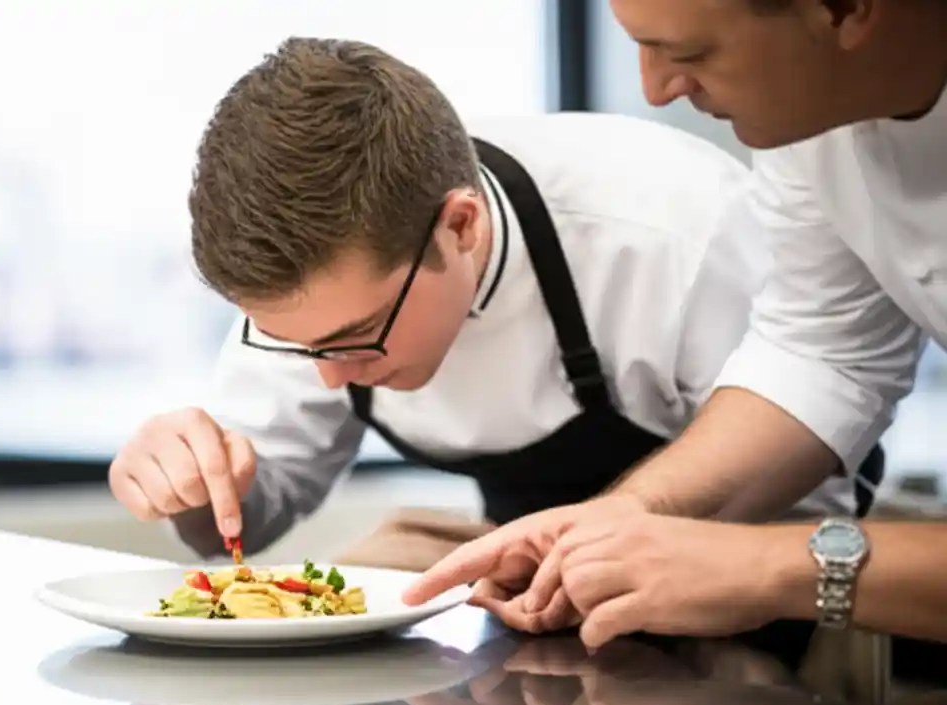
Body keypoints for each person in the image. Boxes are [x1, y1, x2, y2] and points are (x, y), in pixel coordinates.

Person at [108, 36, 871, 572]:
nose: (331, 379)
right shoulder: (310, 287)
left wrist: (621, 552)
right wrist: (195, 489)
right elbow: (249, 520)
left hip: (732, 571)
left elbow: (809, 508)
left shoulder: (675, 231)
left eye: (359, 337)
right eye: (297, 347)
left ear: (461, 226)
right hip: (506, 572)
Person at [404, 0, 947, 647]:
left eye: (689, 55)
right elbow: (823, 357)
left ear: (848, 10)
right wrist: (621, 518)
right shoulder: (815, 122)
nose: (656, 91)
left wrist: (762, 565)